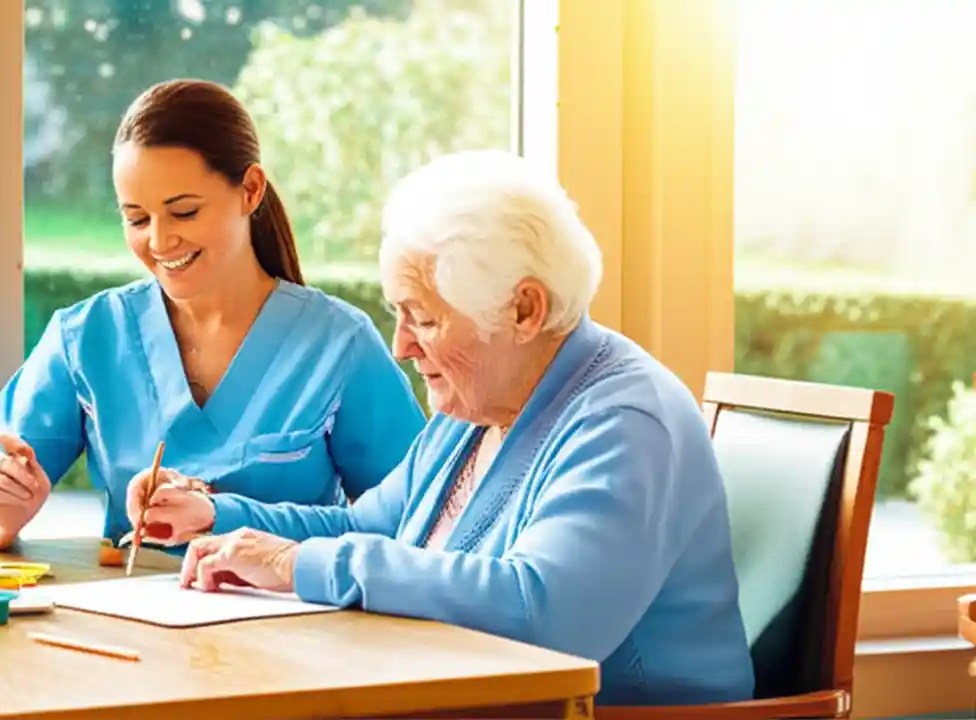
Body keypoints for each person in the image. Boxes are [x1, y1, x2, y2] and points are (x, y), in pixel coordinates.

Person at [130, 150, 755, 706]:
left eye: (423, 320)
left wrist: (299, 564)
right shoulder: (479, 405)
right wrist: (219, 520)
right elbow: (367, 527)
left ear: (524, 310)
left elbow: (548, 614)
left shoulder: (624, 422)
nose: (401, 345)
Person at [0, 79, 425, 550]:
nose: (159, 241)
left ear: (251, 190)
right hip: (127, 620)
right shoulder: (89, 336)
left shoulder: (338, 345)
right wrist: (0, 513)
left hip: (292, 621)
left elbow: (420, 516)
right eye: (136, 218)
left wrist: (228, 517)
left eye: (185, 212)